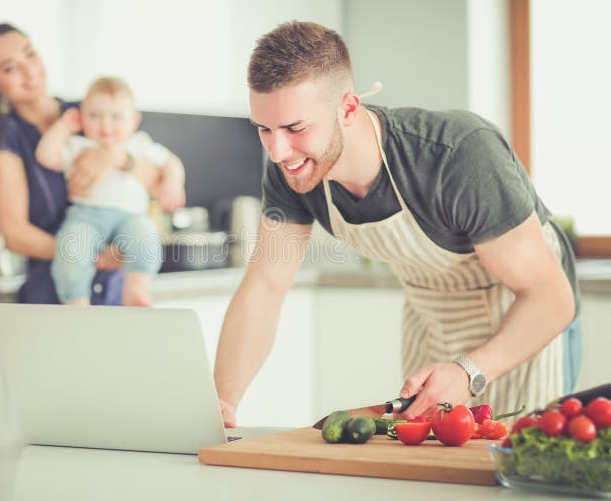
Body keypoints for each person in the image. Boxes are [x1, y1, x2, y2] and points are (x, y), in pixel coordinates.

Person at [214, 21, 581, 427]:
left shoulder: (457, 157)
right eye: (264, 129)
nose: (279, 151)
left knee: (509, 476)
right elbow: (265, 285)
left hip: (523, 319)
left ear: (348, 108)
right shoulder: (294, 171)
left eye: (295, 128)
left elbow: (551, 298)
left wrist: (469, 371)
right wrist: (221, 404)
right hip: (431, 320)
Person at [0, 23, 159, 304]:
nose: (30, 71)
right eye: (10, 68)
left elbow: (156, 183)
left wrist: (117, 157)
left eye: (30, 55)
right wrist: (90, 256)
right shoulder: (4, 138)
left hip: (115, 296)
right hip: (53, 298)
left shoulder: (89, 112)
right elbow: (15, 234)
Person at [35, 76, 185, 306]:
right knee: (71, 252)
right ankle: (75, 303)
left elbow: (171, 162)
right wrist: (63, 127)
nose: (105, 125)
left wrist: (173, 183)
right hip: (86, 215)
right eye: (94, 116)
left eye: (116, 117)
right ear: (82, 117)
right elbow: (46, 156)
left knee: (147, 241)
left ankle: (135, 292)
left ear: (134, 120)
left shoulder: (140, 144)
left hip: (132, 217)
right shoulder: (78, 145)